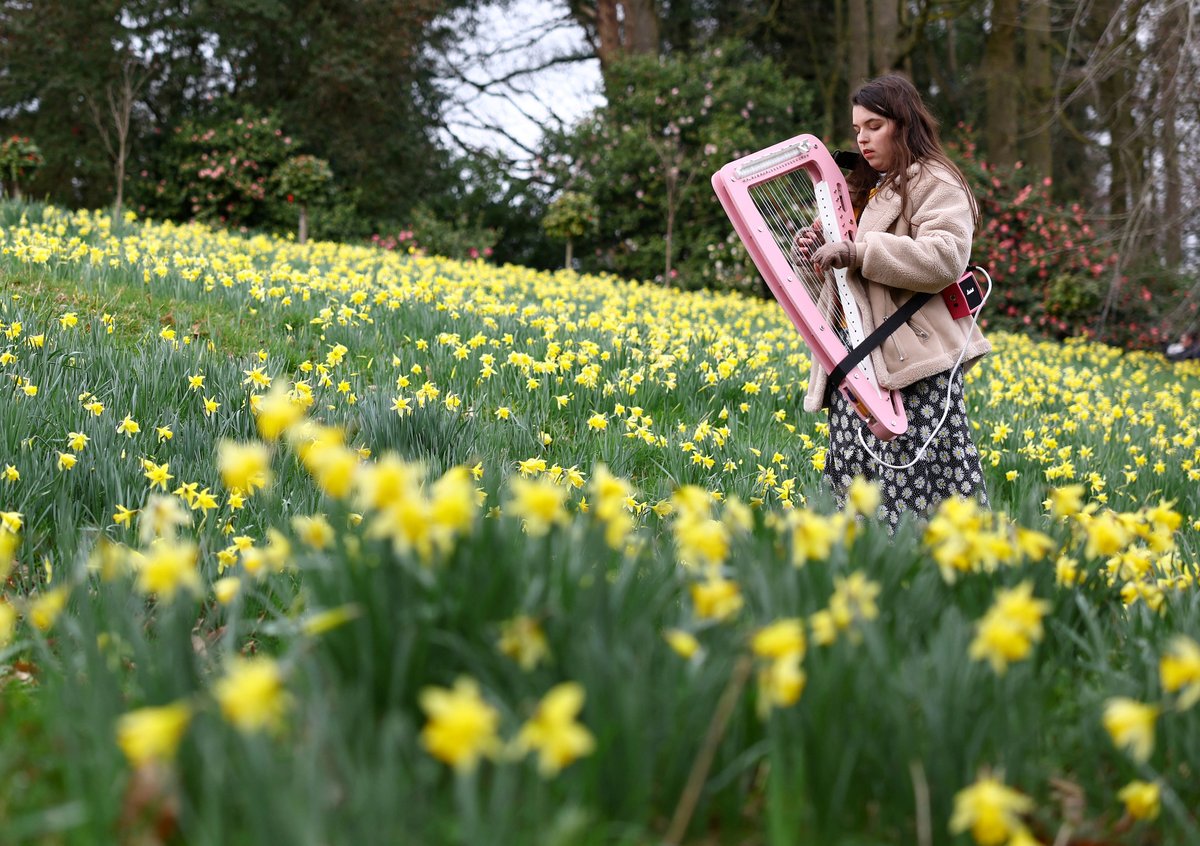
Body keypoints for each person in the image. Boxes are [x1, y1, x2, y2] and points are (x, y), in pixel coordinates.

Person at [801, 73, 992, 530]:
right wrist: (813, 250)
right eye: (856, 129)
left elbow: (946, 257)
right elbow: (840, 284)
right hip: (855, 364)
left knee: (923, 504)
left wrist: (857, 251)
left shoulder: (936, 181)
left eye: (874, 125)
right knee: (855, 502)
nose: (862, 138)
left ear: (902, 124)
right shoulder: (861, 188)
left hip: (913, 368)